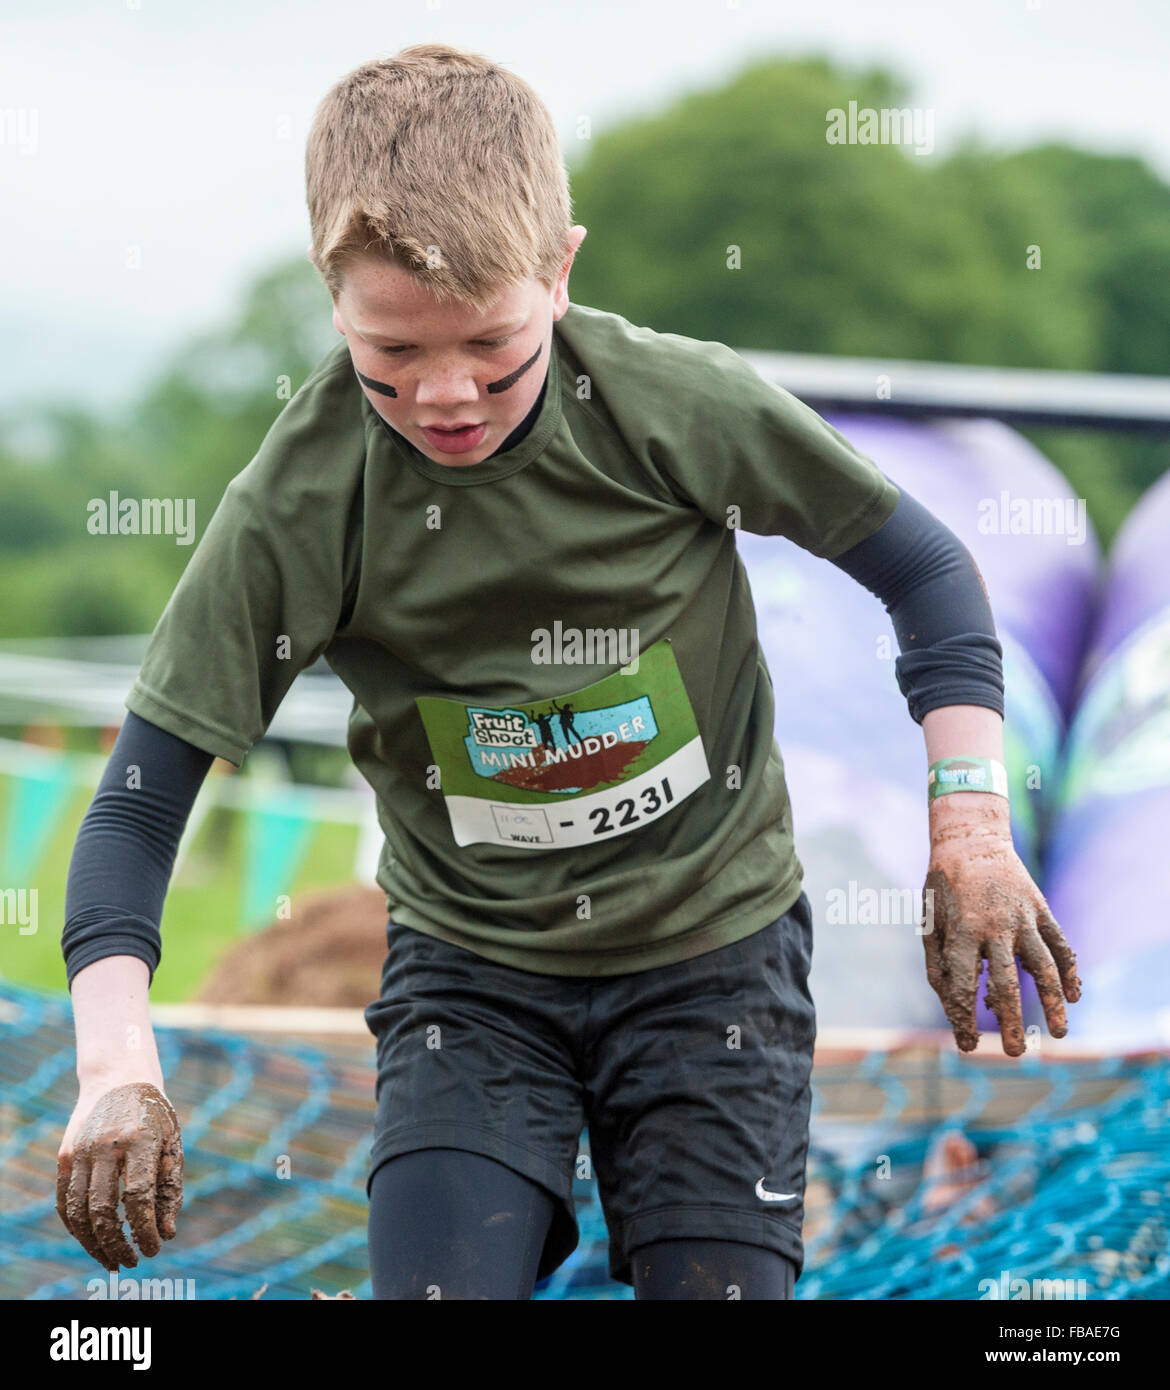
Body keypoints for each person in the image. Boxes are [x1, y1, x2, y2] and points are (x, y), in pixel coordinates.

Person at [56, 42, 1081, 1301]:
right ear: (334, 302)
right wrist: (116, 1064)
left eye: (493, 349)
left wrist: (971, 821)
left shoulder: (672, 406)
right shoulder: (301, 499)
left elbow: (928, 570)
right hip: (472, 972)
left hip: (714, 950)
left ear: (560, 268)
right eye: (389, 360)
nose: (445, 398)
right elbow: (142, 798)